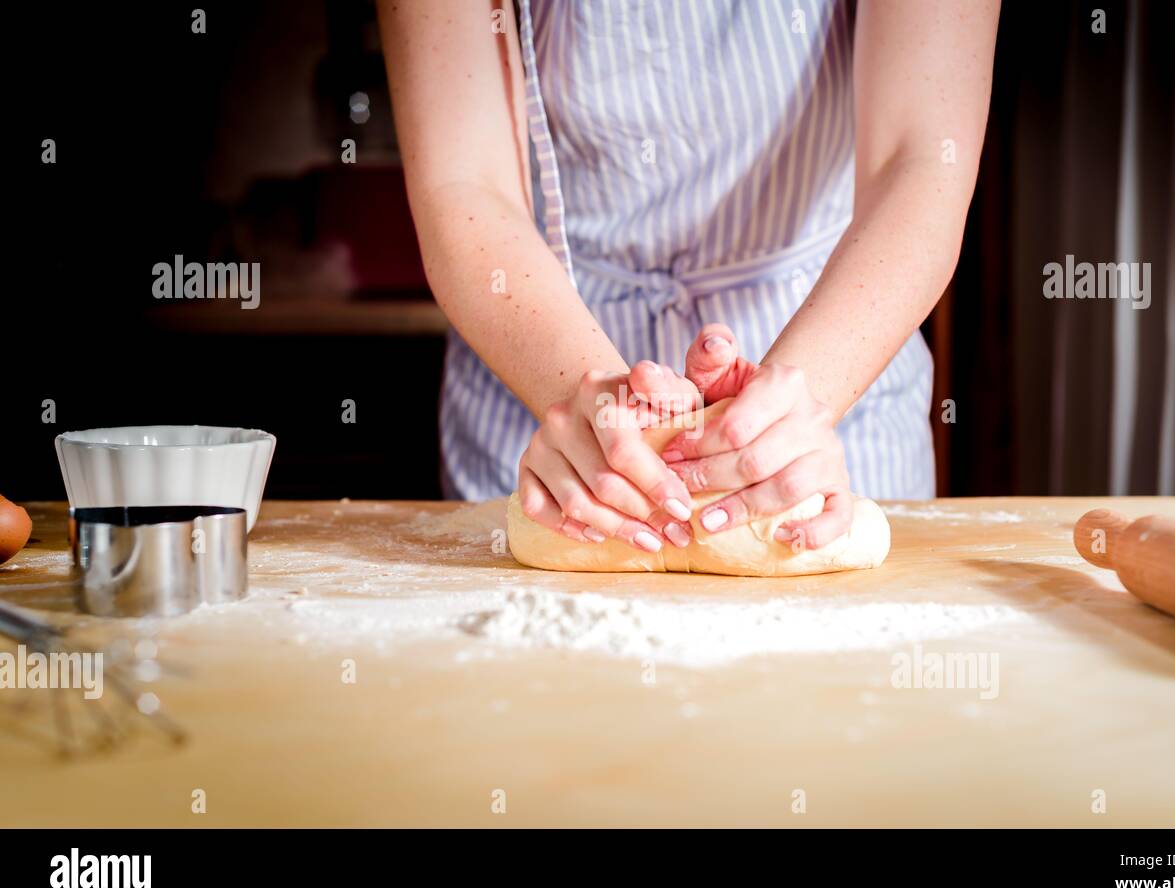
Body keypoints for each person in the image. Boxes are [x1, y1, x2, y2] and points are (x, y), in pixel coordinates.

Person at [379, 0, 999, 554]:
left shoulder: (818, 390)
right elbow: (465, 182)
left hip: (833, 357)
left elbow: (918, 159)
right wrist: (586, 404)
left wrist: (789, 410)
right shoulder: (559, 393)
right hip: (542, 364)